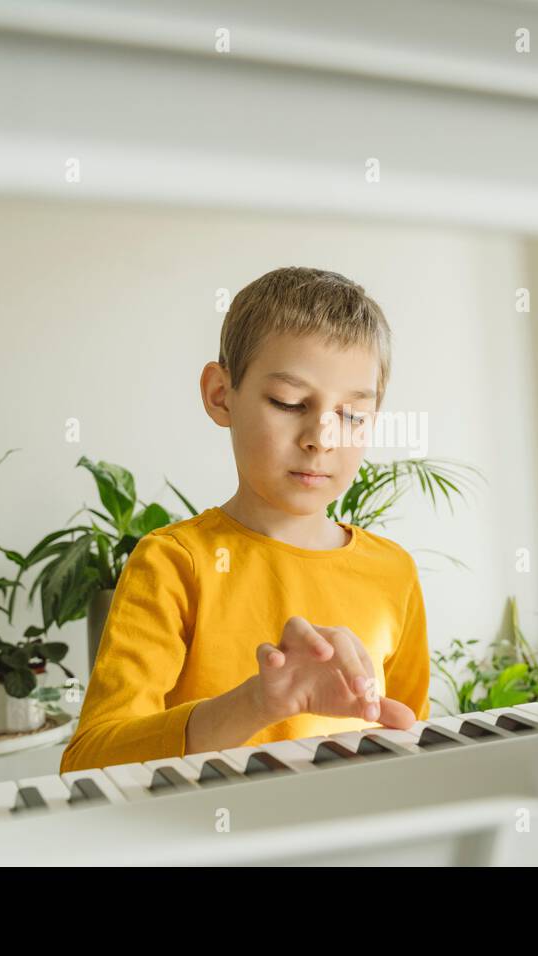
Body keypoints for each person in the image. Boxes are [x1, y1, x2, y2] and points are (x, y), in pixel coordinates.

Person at [59, 267, 430, 773]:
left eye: (350, 415)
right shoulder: (173, 564)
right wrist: (256, 704)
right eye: (289, 402)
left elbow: (409, 741)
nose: (321, 437)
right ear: (220, 394)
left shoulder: (394, 571)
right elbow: (89, 761)